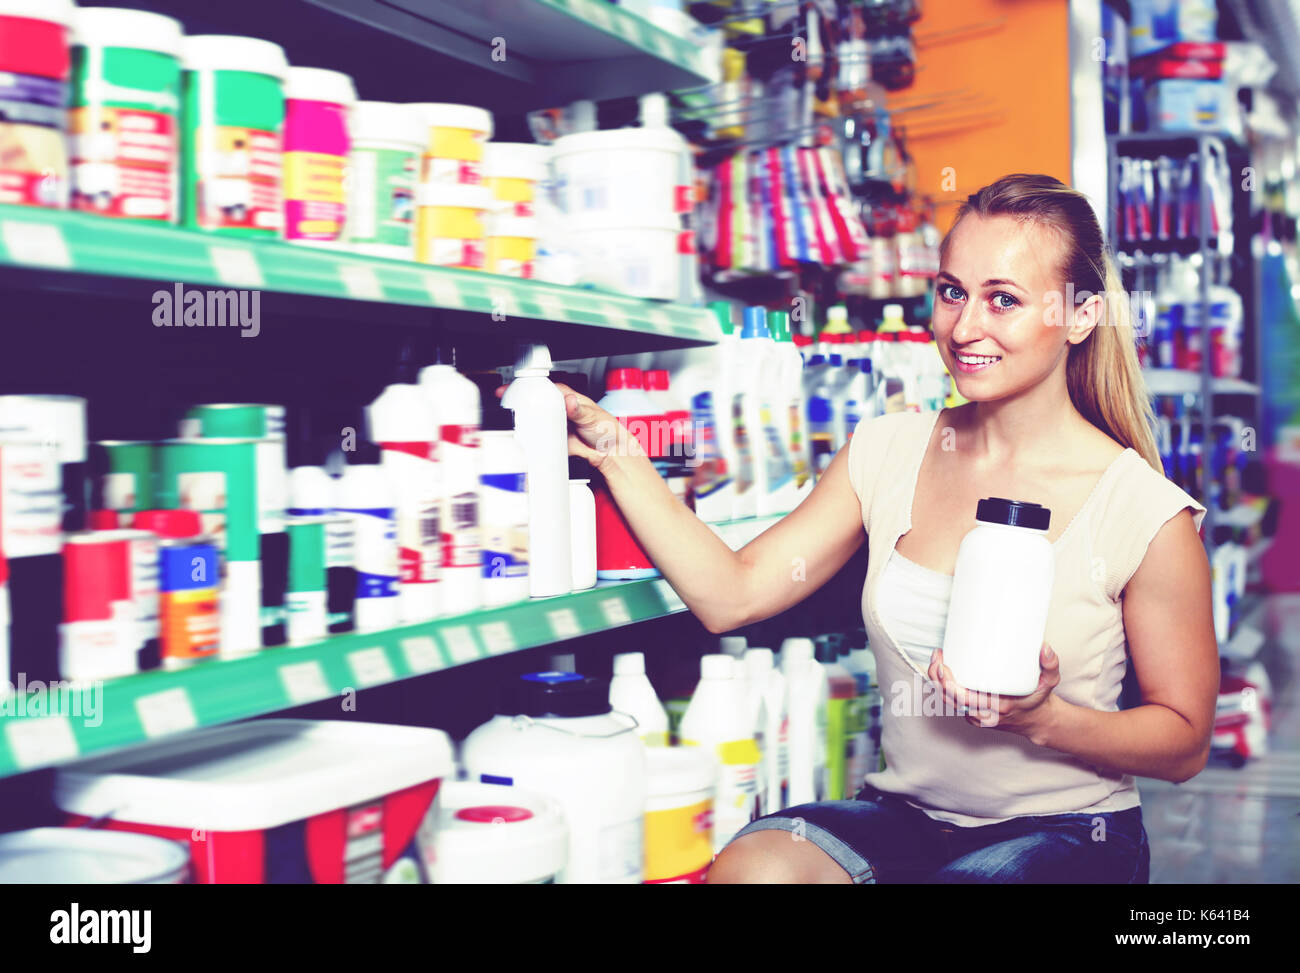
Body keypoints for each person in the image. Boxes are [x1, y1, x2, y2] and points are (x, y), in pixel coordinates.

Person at [503, 173, 1218, 883]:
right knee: (753, 870)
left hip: (1070, 834)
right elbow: (733, 594)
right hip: (908, 818)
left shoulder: (1144, 509)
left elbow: (1183, 743)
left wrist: (1042, 718)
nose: (964, 328)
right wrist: (618, 452)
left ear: (1081, 315)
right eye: (951, 292)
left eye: (1004, 300)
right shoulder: (886, 450)